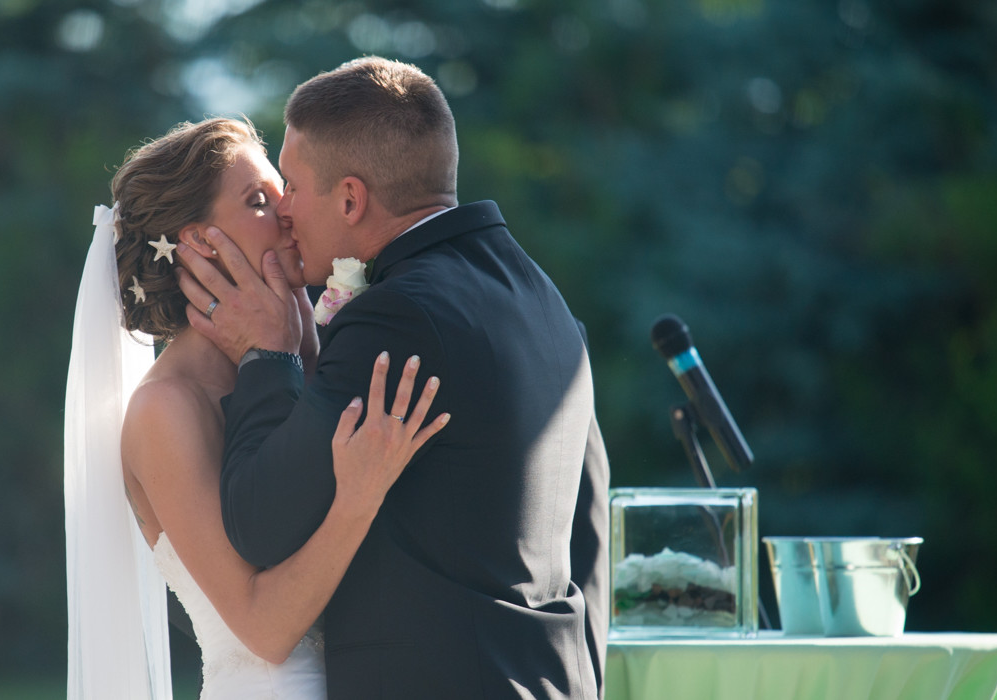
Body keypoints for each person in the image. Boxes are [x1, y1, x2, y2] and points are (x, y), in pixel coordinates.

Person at [177, 57, 611, 699]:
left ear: (351, 199)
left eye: (291, 187)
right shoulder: (543, 300)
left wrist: (268, 355)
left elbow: (260, 524)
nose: (286, 210)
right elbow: (589, 528)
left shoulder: (400, 319)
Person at [63, 117, 450, 700]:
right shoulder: (165, 411)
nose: (289, 212)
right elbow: (264, 630)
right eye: (259, 200)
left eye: (284, 191)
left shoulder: (309, 354)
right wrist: (359, 494)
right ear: (198, 244)